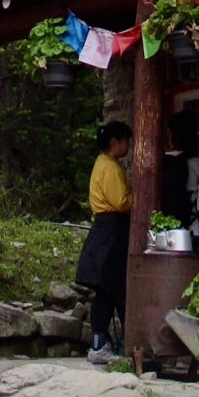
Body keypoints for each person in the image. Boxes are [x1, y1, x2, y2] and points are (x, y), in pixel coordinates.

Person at [73, 119, 132, 362]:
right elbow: (120, 202)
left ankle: (102, 343)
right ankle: (105, 344)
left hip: (106, 229)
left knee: (109, 290)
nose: (128, 146)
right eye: (126, 141)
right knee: (113, 288)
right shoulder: (110, 167)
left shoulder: (103, 163)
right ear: (114, 143)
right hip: (112, 230)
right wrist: (137, 198)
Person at [159, 104, 199, 239]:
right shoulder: (195, 163)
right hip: (189, 231)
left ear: (169, 134)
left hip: (161, 230)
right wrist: (195, 215)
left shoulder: (158, 163)